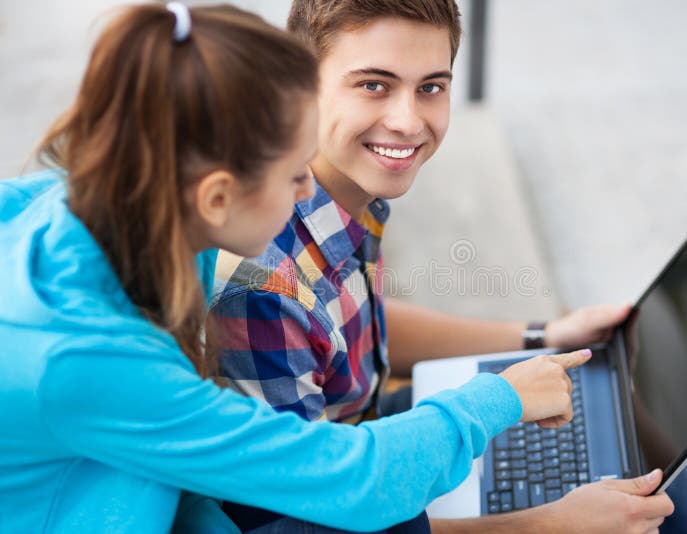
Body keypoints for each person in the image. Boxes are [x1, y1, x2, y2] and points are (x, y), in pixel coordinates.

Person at [0, 4, 598, 533]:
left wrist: (535, 340)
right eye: (293, 175)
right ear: (216, 197)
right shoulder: (90, 359)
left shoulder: (108, 206)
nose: (309, 187)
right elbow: (349, 483)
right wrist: (501, 414)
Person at [212, 1, 687, 533]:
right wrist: (549, 526)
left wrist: (542, 336)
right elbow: (317, 515)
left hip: (366, 426)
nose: (407, 120)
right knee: (634, 495)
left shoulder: (340, 199)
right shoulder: (263, 290)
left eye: (431, 87)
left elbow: (348, 323)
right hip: (343, 498)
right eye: (374, 84)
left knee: (632, 438)